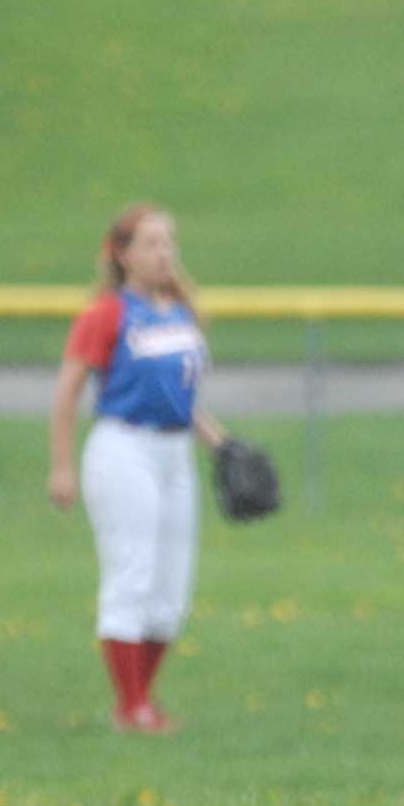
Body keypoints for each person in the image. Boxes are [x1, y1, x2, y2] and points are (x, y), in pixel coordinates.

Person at [48, 204, 233, 734]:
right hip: (123, 449)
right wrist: (61, 465)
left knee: (171, 592)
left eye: (168, 241)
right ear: (123, 254)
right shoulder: (107, 312)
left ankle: (140, 701)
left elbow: (178, 396)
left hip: (176, 453)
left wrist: (221, 443)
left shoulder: (179, 309)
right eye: (151, 243)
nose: (164, 252)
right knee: (132, 575)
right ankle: (132, 707)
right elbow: (68, 390)